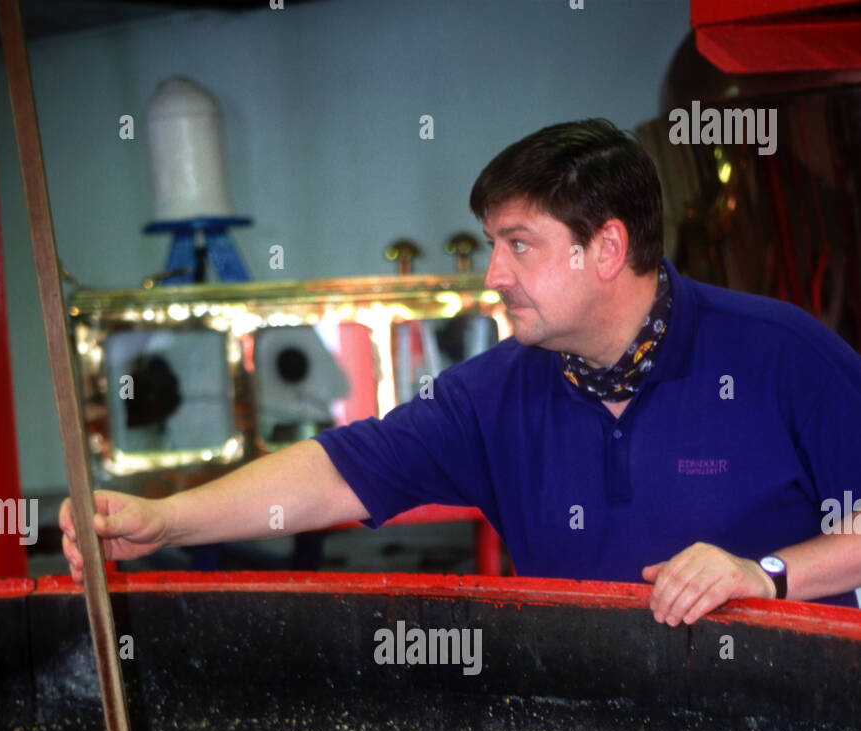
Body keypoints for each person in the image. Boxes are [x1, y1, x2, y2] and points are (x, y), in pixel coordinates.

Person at [61, 118, 861, 623]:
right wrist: (166, 520)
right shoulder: (494, 395)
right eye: (491, 244)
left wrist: (766, 576)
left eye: (519, 244)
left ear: (607, 248)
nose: (492, 276)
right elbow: (340, 471)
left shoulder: (782, 356)